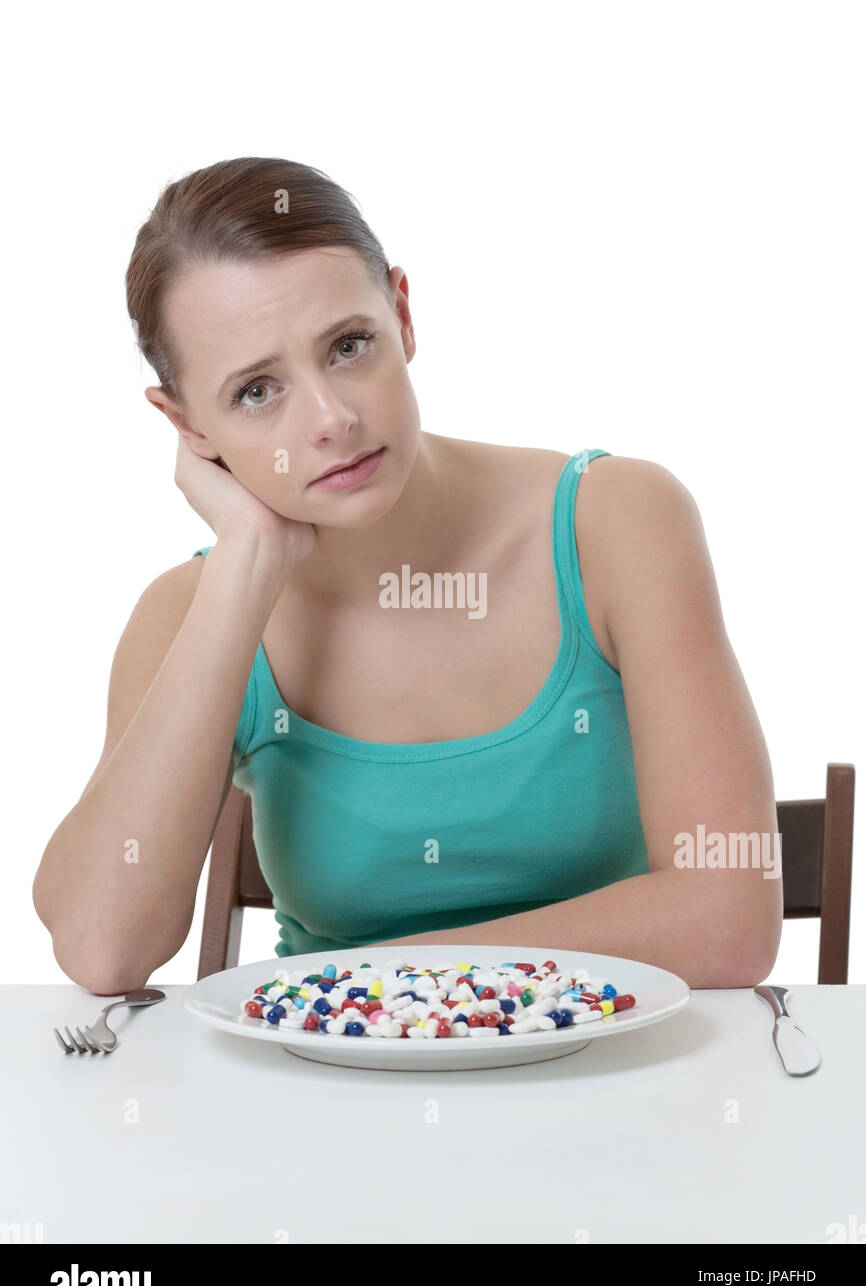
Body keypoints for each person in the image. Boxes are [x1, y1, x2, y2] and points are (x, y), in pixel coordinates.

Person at [32, 156, 783, 993]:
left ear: (402, 314)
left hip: (618, 1078)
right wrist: (245, 562)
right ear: (185, 426)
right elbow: (102, 949)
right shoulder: (188, 613)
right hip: (333, 1096)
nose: (332, 419)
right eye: (255, 392)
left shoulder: (617, 520)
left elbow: (727, 925)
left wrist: (361, 978)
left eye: (349, 346)